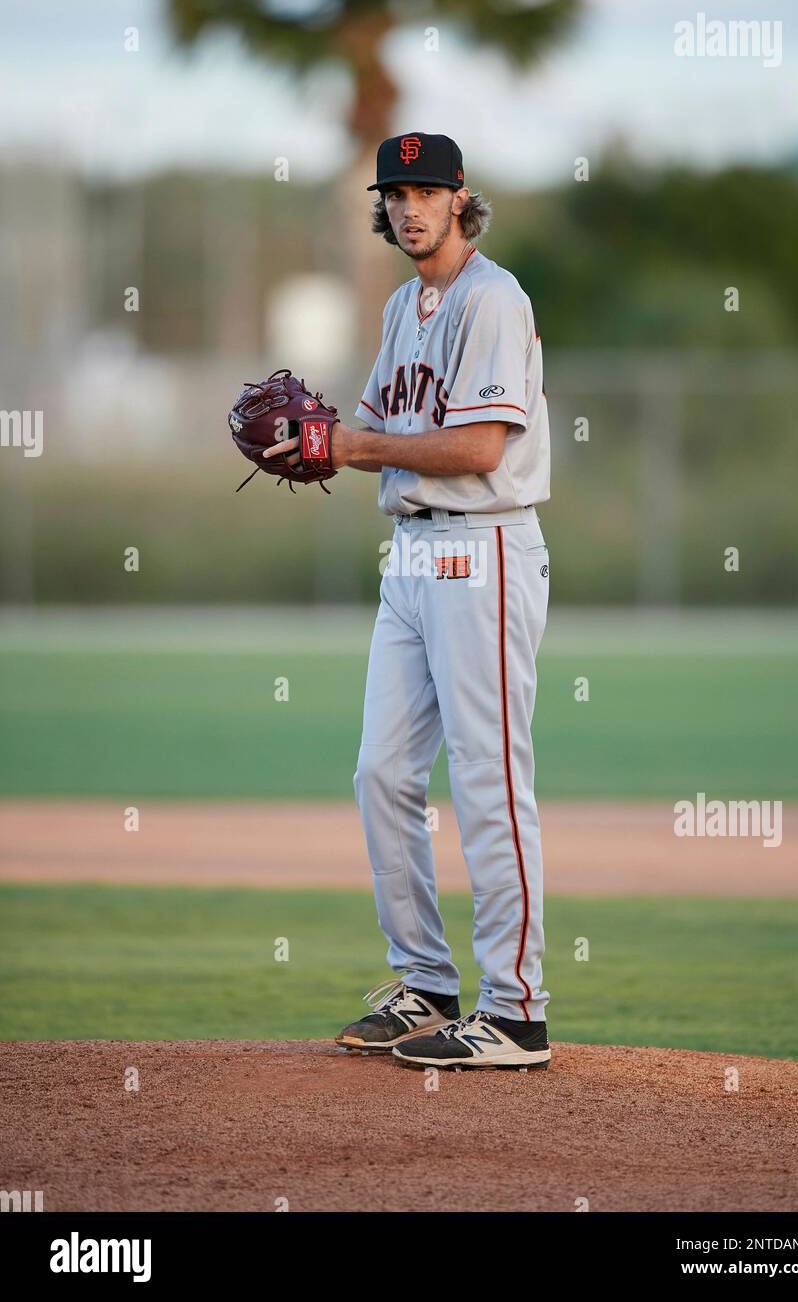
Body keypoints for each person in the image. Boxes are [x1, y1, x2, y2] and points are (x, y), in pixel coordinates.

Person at [271, 132, 552, 1069]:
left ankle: (516, 1012)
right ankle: (426, 982)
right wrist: (317, 441)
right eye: (396, 192)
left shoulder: (493, 300)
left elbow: (478, 449)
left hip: (486, 547)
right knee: (381, 772)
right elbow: (384, 430)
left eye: (427, 189)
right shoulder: (403, 305)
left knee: (489, 781)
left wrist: (351, 447)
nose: (410, 206)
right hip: (411, 559)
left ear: (460, 197)